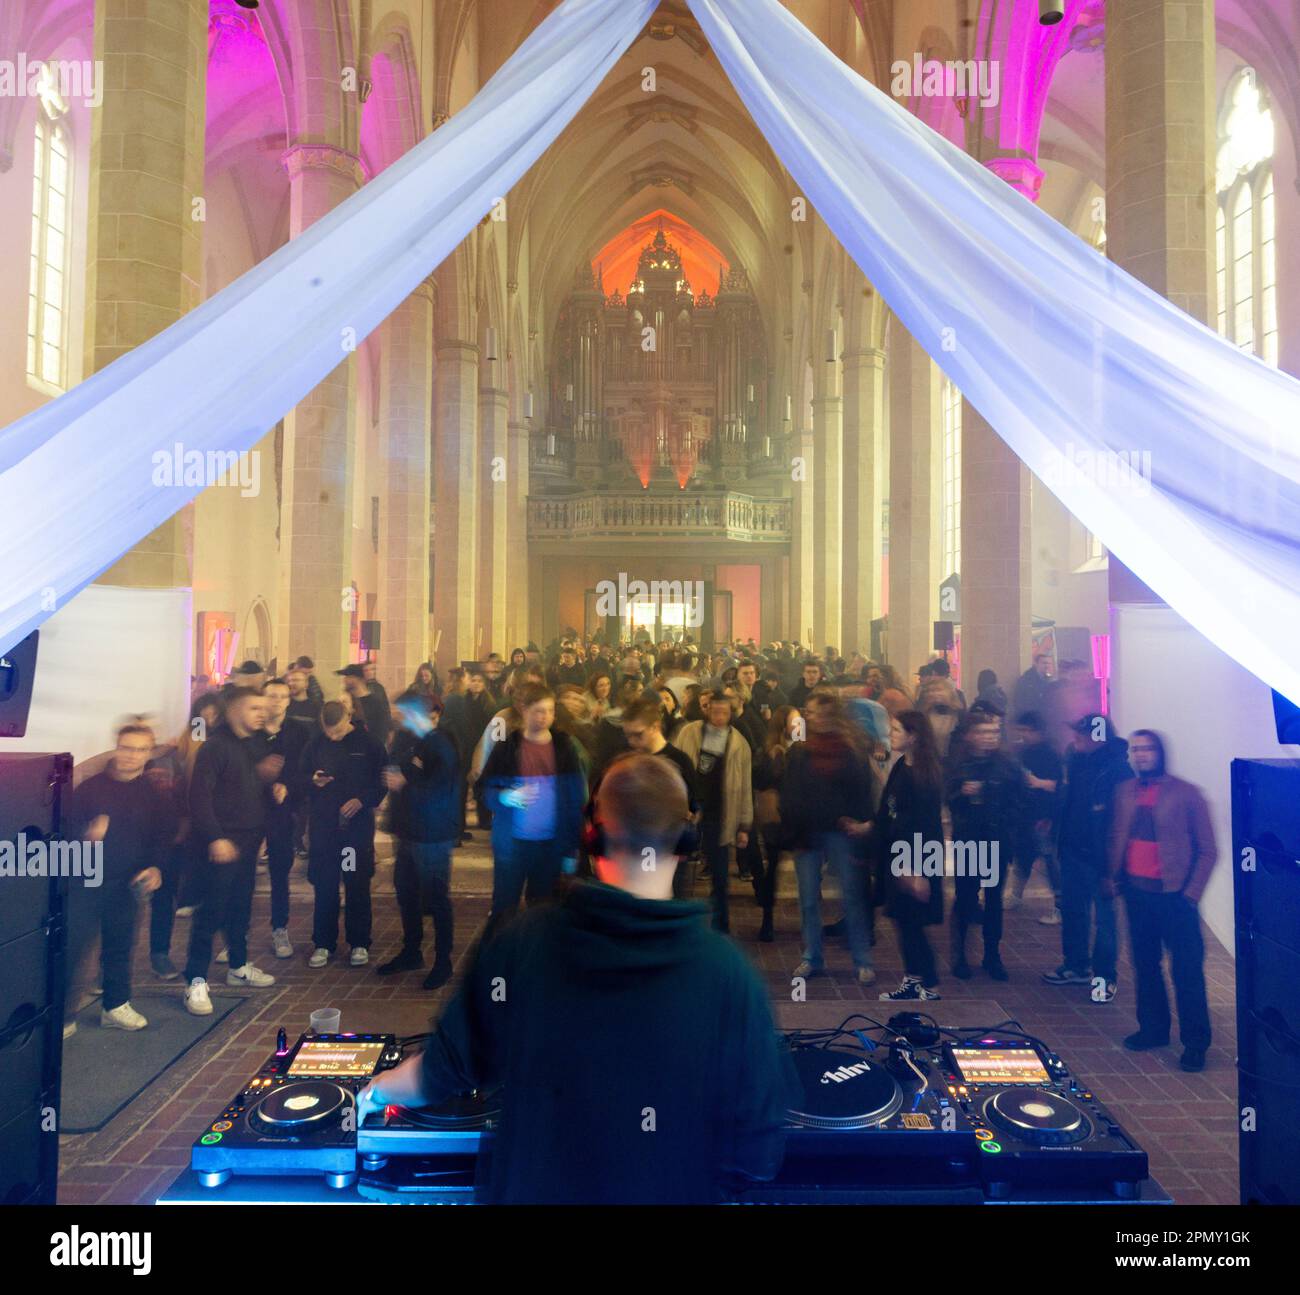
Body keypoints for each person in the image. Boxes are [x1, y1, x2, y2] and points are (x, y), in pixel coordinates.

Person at [355, 754, 793, 1204]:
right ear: (686, 840)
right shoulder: (729, 974)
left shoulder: (523, 941)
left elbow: (441, 1072)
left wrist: (371, 1092)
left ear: (592, 836)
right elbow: (756, 1148)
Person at [1108, 731, 1217, 1071]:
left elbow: (1208, 850)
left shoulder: (1186, 794)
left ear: (1160, 752)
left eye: (1147, 749)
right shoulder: (1124, 792)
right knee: (1145, 966)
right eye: (1135, 749)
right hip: (1138, 896)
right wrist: (1113, 879)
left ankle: (1195, 1043)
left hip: (1175, 898)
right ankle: (1153, 1029)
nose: (1140, 755)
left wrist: (1191, 894)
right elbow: (1116, 837)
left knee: (1186, 972)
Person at [66, 724, 171, 1031]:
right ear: (116, 748)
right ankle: (61, 1016)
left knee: (120, 946)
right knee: (73, 949)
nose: (131, 755)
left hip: (126, 883)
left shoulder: (153, 794)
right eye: (126, 747)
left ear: (148, 754)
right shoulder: (90, 788)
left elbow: (161, 836)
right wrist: (86, 835)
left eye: (139, 749)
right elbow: (64, 831)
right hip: (86, 882)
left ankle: (115, 1005)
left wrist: (155, 867)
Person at [183, 688, 278, 1014]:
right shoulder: (215, 747)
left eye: (263, 708)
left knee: (240, 906)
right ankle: (195, 980)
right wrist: (214, 838)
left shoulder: (253, 745)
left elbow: (247, 788)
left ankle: (238, 966)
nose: (261, 713)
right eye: (254, 707)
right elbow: (199, 797)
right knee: (211, 910)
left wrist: (270, 782)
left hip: (249, 840)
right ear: (235, 710)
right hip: (222, 842)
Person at [781, 690, 876, 984]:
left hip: (841, 831)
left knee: (852, 896)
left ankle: (862, 960)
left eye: (818, 712)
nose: (812, 717)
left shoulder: (850, 749)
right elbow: (791, 791)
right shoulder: (800, 750)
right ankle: (812, 956)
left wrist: (860, 827)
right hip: (807, 832)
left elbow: (862, 790)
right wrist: (793, 829)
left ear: (832, 716)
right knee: (809, 898)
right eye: (808, 712)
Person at [478, 684, 587, 937]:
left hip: (549, 846)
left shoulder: (564, 747)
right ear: (524, 711)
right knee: (504, 909)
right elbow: (484, 789)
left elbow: (573, 802)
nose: (544, 716)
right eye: (538, 711)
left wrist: (571, 850)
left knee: (543, 911)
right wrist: (505, 797)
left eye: (549, 710)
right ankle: (501, 961)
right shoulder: (507, 747)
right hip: (512, 846)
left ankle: (535, 961)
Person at [1043, 714, 1133, 1002]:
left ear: (1098, 736)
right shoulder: (1076, 761)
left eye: (1082, 735)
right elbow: (1067, 799)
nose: (1076, 739)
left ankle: (1104, 976)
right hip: (1072, 850)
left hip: (1102, 858)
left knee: (1105, 919)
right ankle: (1076, 965)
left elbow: (1123, 818)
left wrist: (1115, 863)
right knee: (1073, 910)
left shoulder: (1118, 770)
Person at [378, 693, 462, 989]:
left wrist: (405, 783)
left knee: (437, 898)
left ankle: (443, 962)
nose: (399, 717)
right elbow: (397, 767)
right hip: (408, 831)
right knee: (407, 892)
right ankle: (412, 951)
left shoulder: (440, 744)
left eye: (403, 713)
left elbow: (442, 792)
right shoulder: (407, 738)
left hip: (433, 835)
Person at [300, 700, 387, 968]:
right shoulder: (315, 743)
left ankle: (359, 942)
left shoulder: (369, 744)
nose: (333, 737)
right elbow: (300, 777)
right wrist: (312, 781)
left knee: (356, 882)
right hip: (324, 826)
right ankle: (323, 943)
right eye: (328, 732)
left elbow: (382, 781)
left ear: (348, 717)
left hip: (355, 829)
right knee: (325, 884)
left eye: (337, 731)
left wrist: (362, 800)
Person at [876, 711, 946, 1001]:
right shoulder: (902, 766)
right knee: (905, 921)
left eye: (896, 730)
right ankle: (917, 979)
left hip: (915, 855)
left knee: (912, 921)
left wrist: (914, 870)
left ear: (913, 735)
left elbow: (923, 825)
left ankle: (925, 983)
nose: (891, 734)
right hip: (899, 853)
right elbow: (890, 808)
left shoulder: (925, 774)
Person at [946, 711, 1020, 980]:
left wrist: (1009, 830)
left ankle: (992, 955)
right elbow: (948, 799)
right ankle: (960, 955)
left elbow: (1018, 801)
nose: (989, 738)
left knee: (993, 900)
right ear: (970, 735)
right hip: (968, 840)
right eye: (983, 732)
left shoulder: (1006, 764)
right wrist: (961, 793)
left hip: (996, 841)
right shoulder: (958, 763)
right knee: (965, 897)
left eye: (993, 733)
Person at [674, 689, 753, 933]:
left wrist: (744, 824)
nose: (719, 716)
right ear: (707, 709)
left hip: (721, 810)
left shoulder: (739, 742)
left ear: (731, 713)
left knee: (719, 871)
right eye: (715, 710)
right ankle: (678, 916)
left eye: (724, 712)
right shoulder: (689, 733)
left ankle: (721, 923)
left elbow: (745, 786)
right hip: (690, 808)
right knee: (680, 864)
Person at [260, 678, 308, 960]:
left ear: (289, 700)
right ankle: (235, 935)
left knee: (279, 872)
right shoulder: (252, 731)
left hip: (281, 810)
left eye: (281, 696)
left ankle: (280, 928)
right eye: (271, 696)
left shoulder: (298, 732)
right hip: (251, 810)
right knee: (241, 877)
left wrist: (288, 785)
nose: (276, 701)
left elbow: (305, 770)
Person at [1006, 710, 1063, 923]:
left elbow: (1058, 785)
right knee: (1023, 855)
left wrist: (1038, 783)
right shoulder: (1024, 752)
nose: (1024, 735)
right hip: (1026, 814)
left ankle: (1059, 907)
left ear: (1038, 731)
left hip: (1043, 816)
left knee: (1050, 861)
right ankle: (1016, 895)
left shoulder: (1049, 754)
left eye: (1027, 731)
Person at [442, 666, 496, 840]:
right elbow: (463, 728)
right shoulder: (458, 700)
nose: (471, 682)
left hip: (470, 748)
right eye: (469, 679)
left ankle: (461, 828)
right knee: (460, 791)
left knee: (468, 789)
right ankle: (456, 832)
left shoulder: (484, 702)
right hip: (464, 750)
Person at [337, 663, 392, 749]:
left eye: (349, 677)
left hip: (369, 750)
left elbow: (382, 731)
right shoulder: (345, 701)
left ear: (359, 679)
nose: (345, 680)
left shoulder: (376, 703)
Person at [1012, 652, 1056, 724]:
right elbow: (1021, 703)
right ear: (1036, 664)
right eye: (1044, 663)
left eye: (1049, 663)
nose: (1047, 666)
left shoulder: (1049, 680)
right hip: (1031, 722)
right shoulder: (1026, 681)